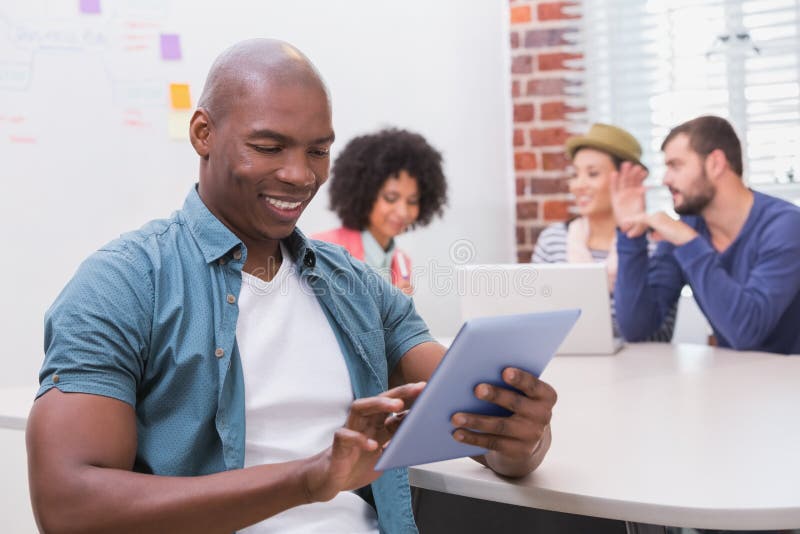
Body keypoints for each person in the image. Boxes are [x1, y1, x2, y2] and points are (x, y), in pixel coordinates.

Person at [26, 39, 557, 534]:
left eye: (318, 152)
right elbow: (67, 504)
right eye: (268, 147)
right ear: (203, 134)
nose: (301, 175)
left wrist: (521, 441)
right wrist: (306, 480)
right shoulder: (124, 283)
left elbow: (484, 430)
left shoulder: (355, 285)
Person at [611, 115, 800, 354]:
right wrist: (630, 235)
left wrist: (689, 243)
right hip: (736, 373)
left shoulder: (786, 225)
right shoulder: (688, 229)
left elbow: (747, 332)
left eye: (675, 166)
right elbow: (637, 328)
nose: (666, 179)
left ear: (715, 163)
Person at [532, 123, 675, 341]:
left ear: (626, 178)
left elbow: (659, 335)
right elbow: (536, 320)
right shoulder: (553, 241)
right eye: (575, 174)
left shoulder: (656, 245)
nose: (578, 185)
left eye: (592, 174)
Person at [314, 128, 447, 295]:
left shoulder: (402, 263)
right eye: (391, 198)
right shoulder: (324, 250)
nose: (403, 212)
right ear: (365, 194)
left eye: (412, 201)